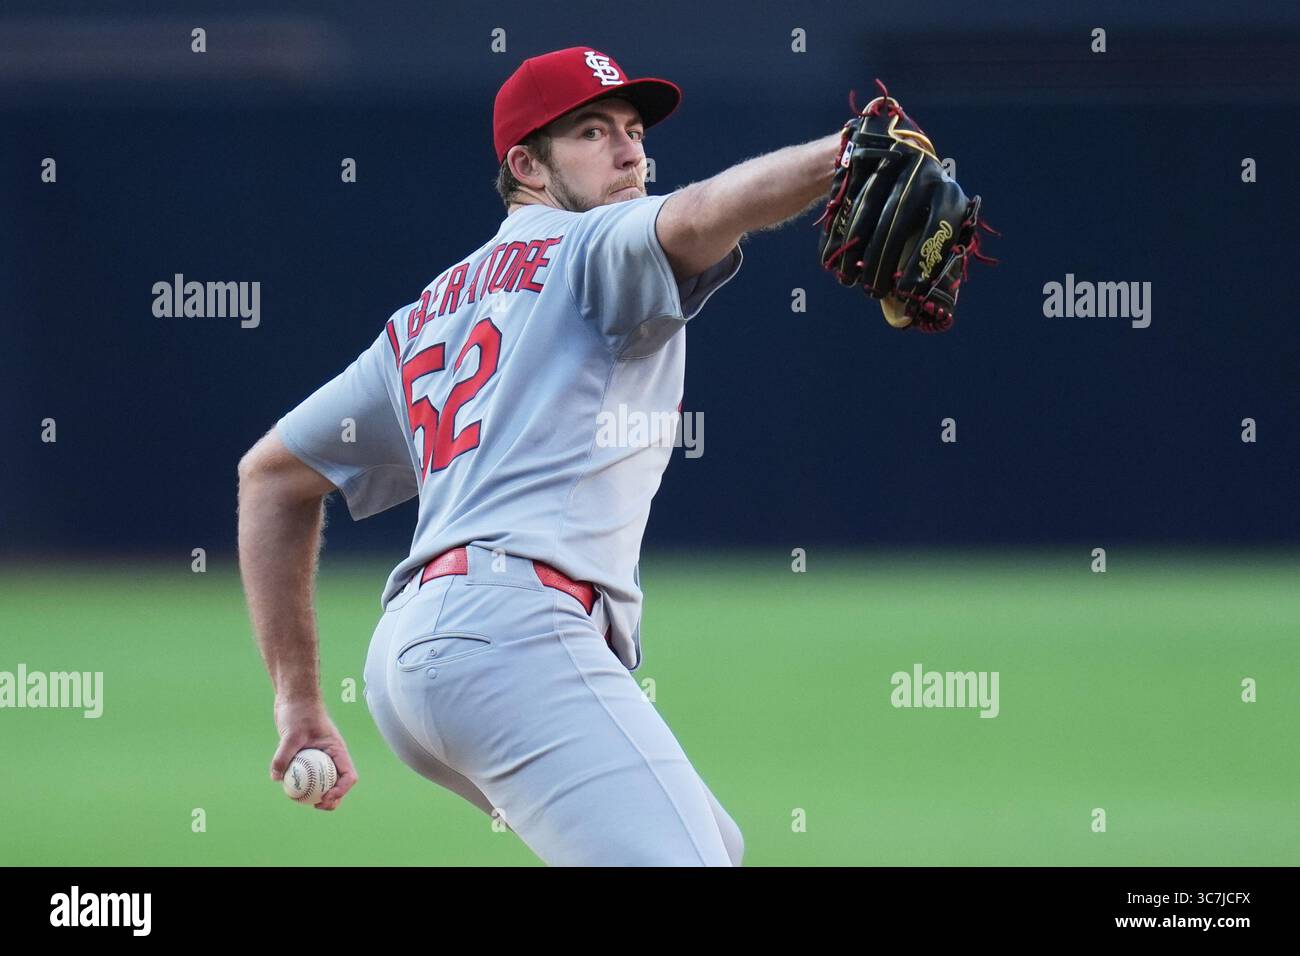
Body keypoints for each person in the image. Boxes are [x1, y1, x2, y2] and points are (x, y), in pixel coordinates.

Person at [237, 45, 841, 865]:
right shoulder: (595, 243)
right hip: (511, 634)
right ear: (526, 163)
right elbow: (701, 213)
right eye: (592, 131)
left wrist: (298, 701)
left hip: (410, 664)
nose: (628, 150)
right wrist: (843, 154)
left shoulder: (423, 318)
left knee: (715, 849)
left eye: (633, 128)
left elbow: (270, 473)